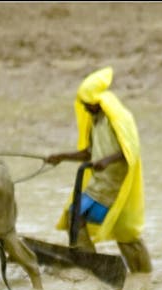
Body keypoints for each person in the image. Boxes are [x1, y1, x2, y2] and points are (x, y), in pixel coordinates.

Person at [45, 66, 152, 273]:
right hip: (99, 184)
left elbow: (130, 150)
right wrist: (61, 157)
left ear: (96, 102)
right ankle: (93, 264)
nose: (85, 109)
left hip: (115, 185)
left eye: (88, 105)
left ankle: (98, 268)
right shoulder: (97, 121)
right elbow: (89, 153)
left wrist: (107, 161)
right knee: (73, 216)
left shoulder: (118, 118)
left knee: (126, 236)